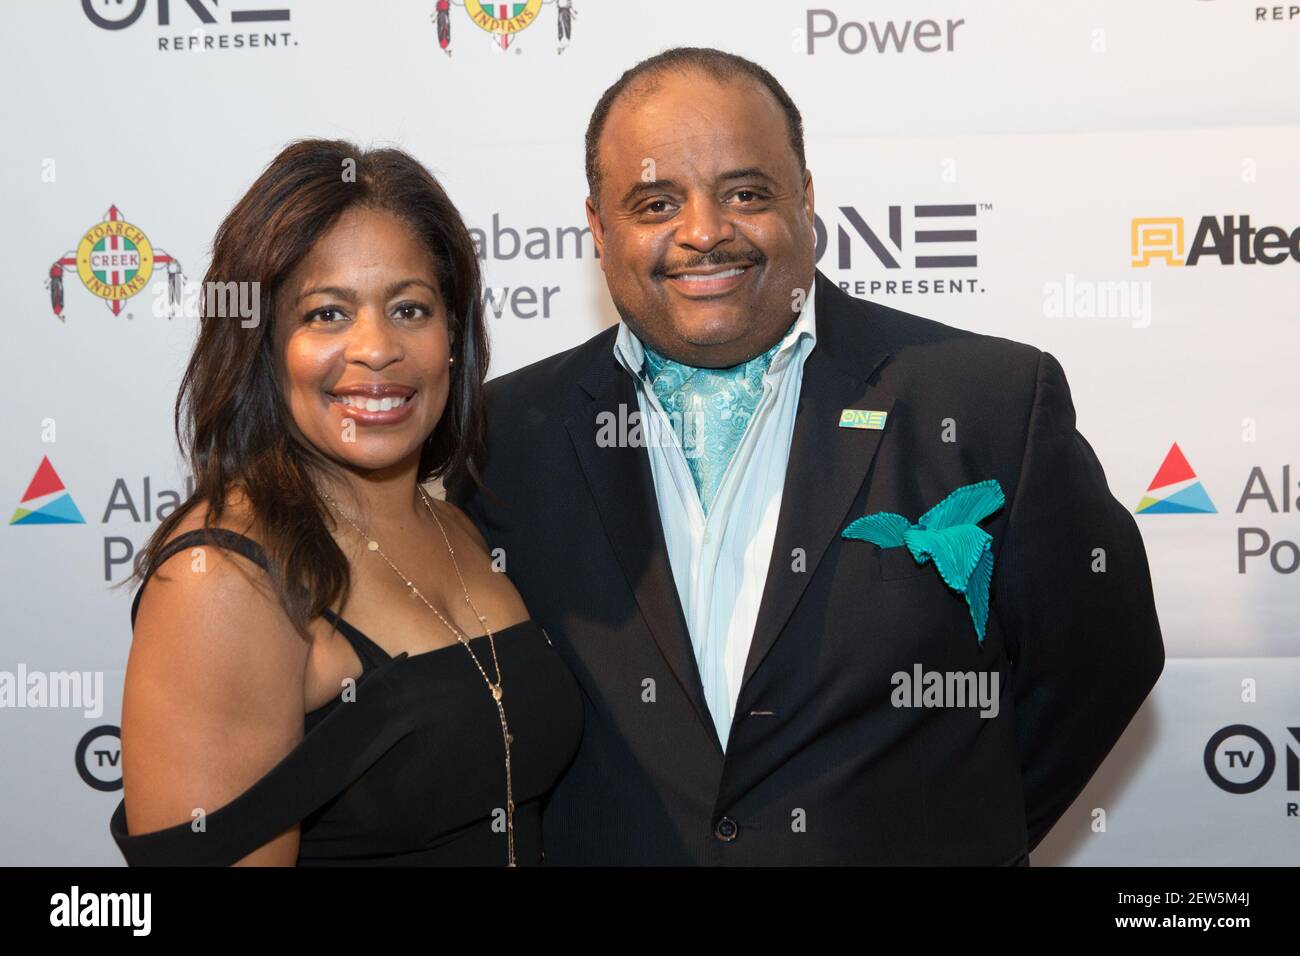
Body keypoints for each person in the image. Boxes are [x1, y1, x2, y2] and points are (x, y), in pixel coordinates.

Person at [447, 48, 1165, 865]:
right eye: (655, 202)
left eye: (745, 193)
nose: (703, 233)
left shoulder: (989, 402)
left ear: (807, 200)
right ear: (599, 229)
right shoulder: (502, 437)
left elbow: (1104, 663)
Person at [110, 139, 582, 866]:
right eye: (327, 315)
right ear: (264, 344)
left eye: (410, 308)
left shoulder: (456, 520)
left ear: (452, 335)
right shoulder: (226, 578)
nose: (376, 348)